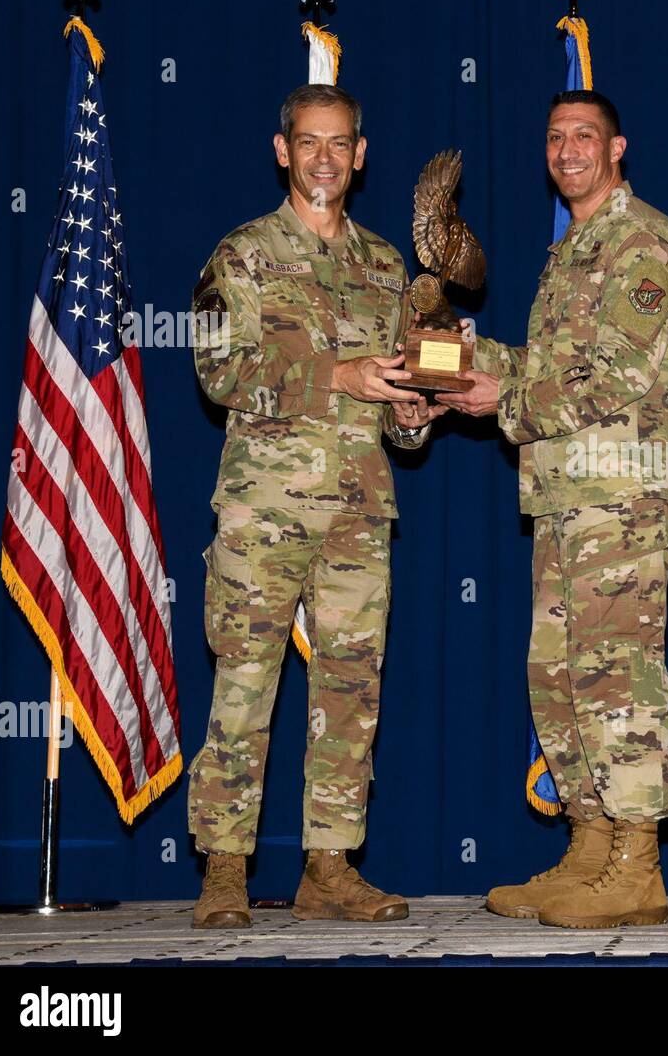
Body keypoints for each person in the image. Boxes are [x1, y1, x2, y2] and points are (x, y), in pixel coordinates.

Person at [187, 84, 443, 929]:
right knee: (244, 683)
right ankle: (225, 867)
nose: (324, 158)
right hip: (264, 508)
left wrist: (413, 414)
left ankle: (329, 866)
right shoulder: (243, 254)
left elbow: (397, 405)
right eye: (309, 143)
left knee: (351, 690)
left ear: (360, 156)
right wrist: (338, 375)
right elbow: (220, 374)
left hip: (360, 511)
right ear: (282, 151)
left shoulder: (387, 267)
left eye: (340, 144)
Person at [439, 90, 668, 929]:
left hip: (621, 493)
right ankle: (590, 848)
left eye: (585, 135)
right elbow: (553, 365)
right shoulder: (573, 250)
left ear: (618, 148)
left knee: (617, 675)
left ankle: (638, 865)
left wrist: (503, 402)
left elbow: (616, 374)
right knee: (558, 676)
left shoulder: (645, 241)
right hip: (564, 494)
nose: (568, 150)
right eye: (555, 137)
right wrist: (465, 354)